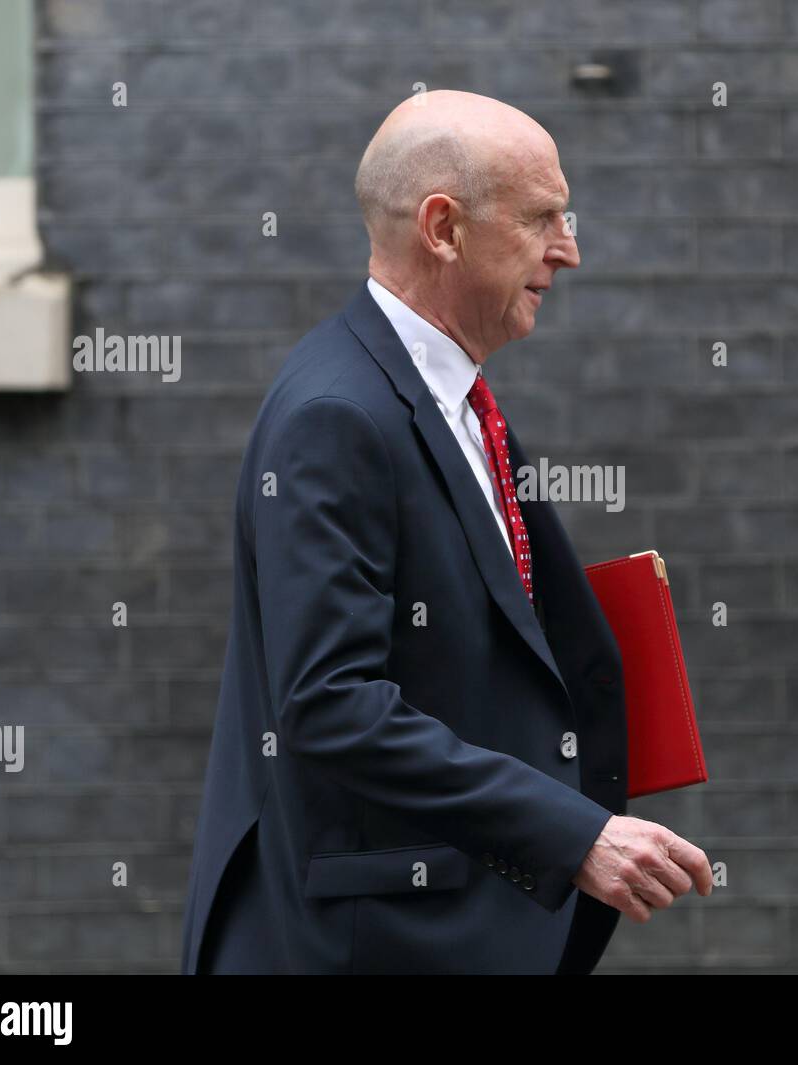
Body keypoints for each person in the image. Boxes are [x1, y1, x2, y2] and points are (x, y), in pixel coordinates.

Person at [180, 89, 712, 975]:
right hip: (367, 948)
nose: (569, 250)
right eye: (543, 217)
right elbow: (330, 704)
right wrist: (574, 833)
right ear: (443, 227)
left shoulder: (449, 394)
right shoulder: (336, 416)